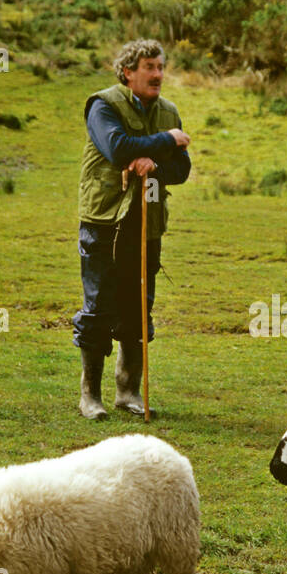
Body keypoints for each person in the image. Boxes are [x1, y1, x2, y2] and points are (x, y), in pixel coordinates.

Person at [72, 39, 191, 418]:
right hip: (103, 219)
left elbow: (182, 170)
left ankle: (128, 392)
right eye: (149, 67)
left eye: (160, 67)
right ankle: (90, 396)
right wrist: (165, 142)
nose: (158, 74)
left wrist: (152, 164)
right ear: (127, 71)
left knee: (139, 308)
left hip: (147, 221)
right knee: (98, 306)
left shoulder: (169, 110)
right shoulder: (102, 105)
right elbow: (116, 147)